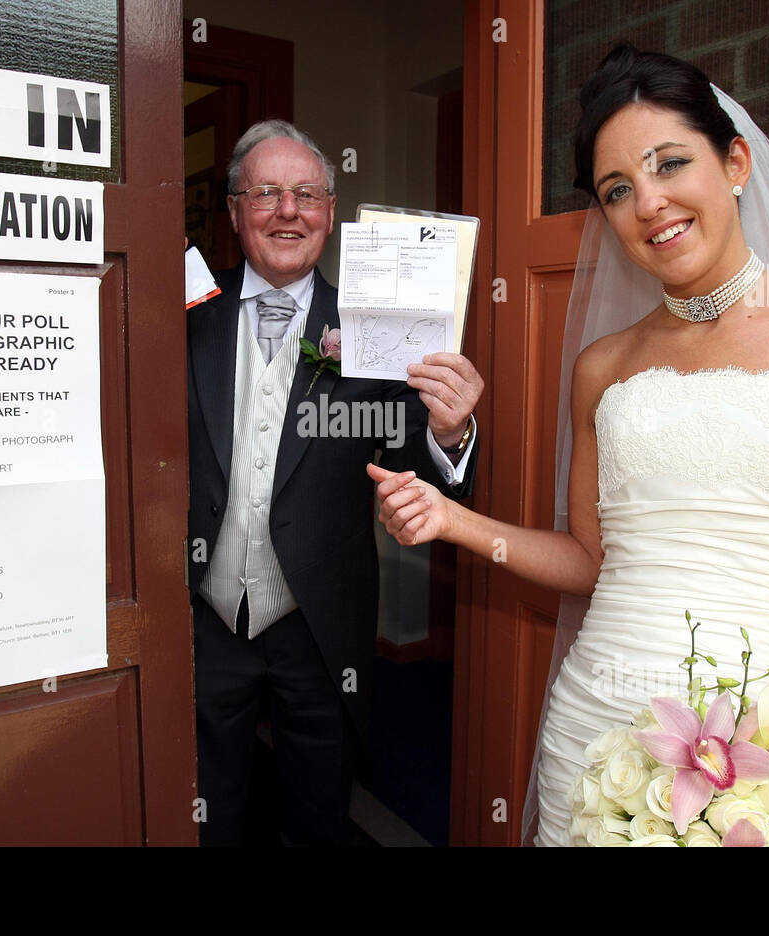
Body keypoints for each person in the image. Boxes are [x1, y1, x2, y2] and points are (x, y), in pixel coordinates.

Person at [369, 45, 769, 846]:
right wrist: (454, 522)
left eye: (670, 163)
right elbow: (590, 560)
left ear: (738, 162)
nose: (648, 203)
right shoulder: (602, 368)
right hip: (601, 733)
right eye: (618, 190)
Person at [188, 119, 484, 846]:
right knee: (203, 805)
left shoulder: (381, 325)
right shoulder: (183, 312)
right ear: (234, 211)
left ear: (329, 212)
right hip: (201, 619)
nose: (288, 211)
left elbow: (422, 471)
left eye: (307, 194)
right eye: (265, 193)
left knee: (318, 813)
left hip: (322, 624)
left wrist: (449, 434)